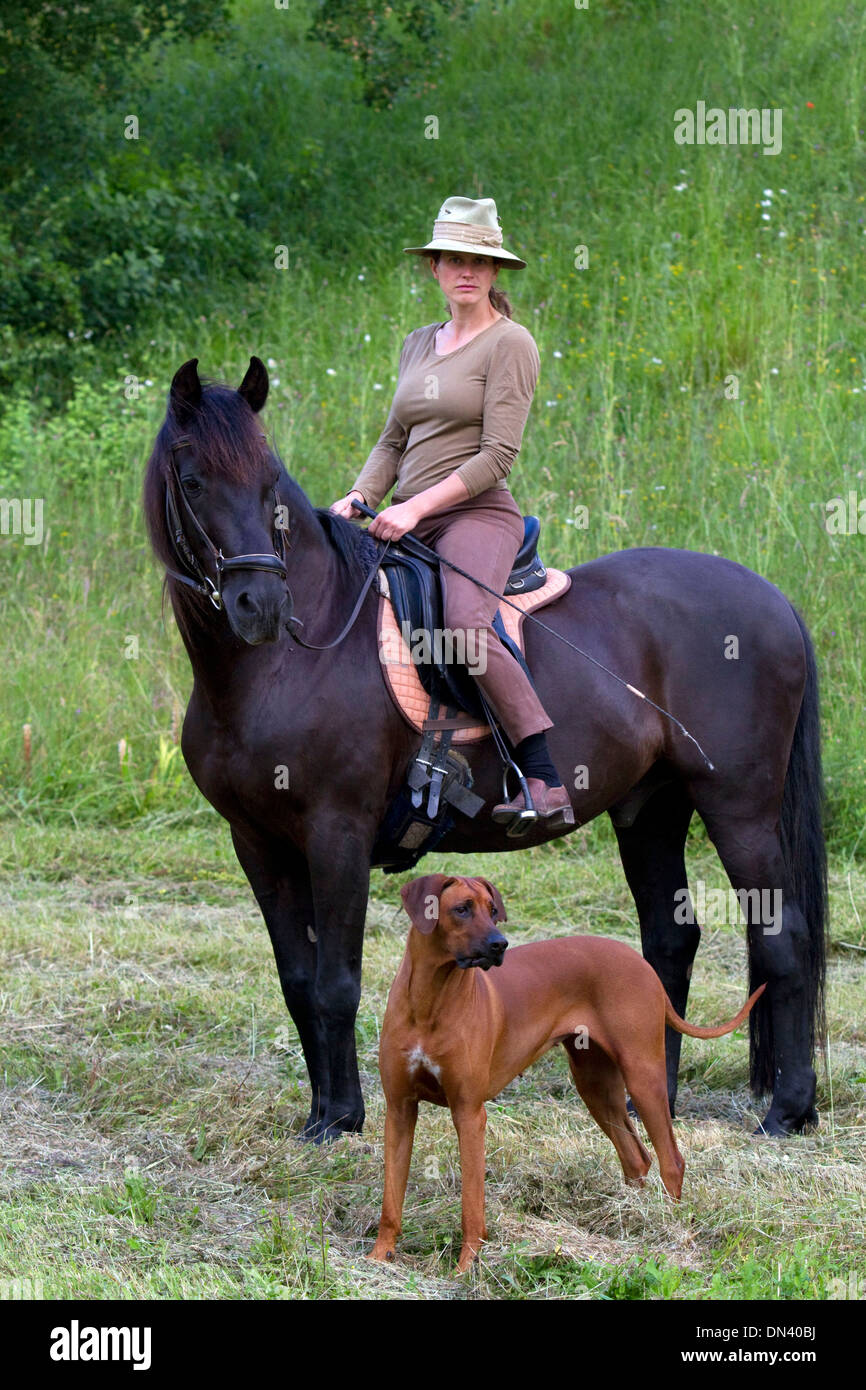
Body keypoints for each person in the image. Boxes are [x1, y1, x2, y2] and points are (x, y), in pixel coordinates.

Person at [330, 195, 572, 825]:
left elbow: (498, 456)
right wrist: (360, 498)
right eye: (452, 259)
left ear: (495, 273)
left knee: (466, 622)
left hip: (476, 514)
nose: (465, 270)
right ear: (432, 269)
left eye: (478, 261)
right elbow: (393, 439)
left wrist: (414, 510)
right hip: (407, 512)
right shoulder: (417, 344)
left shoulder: (510, 343)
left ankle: (543, 776)